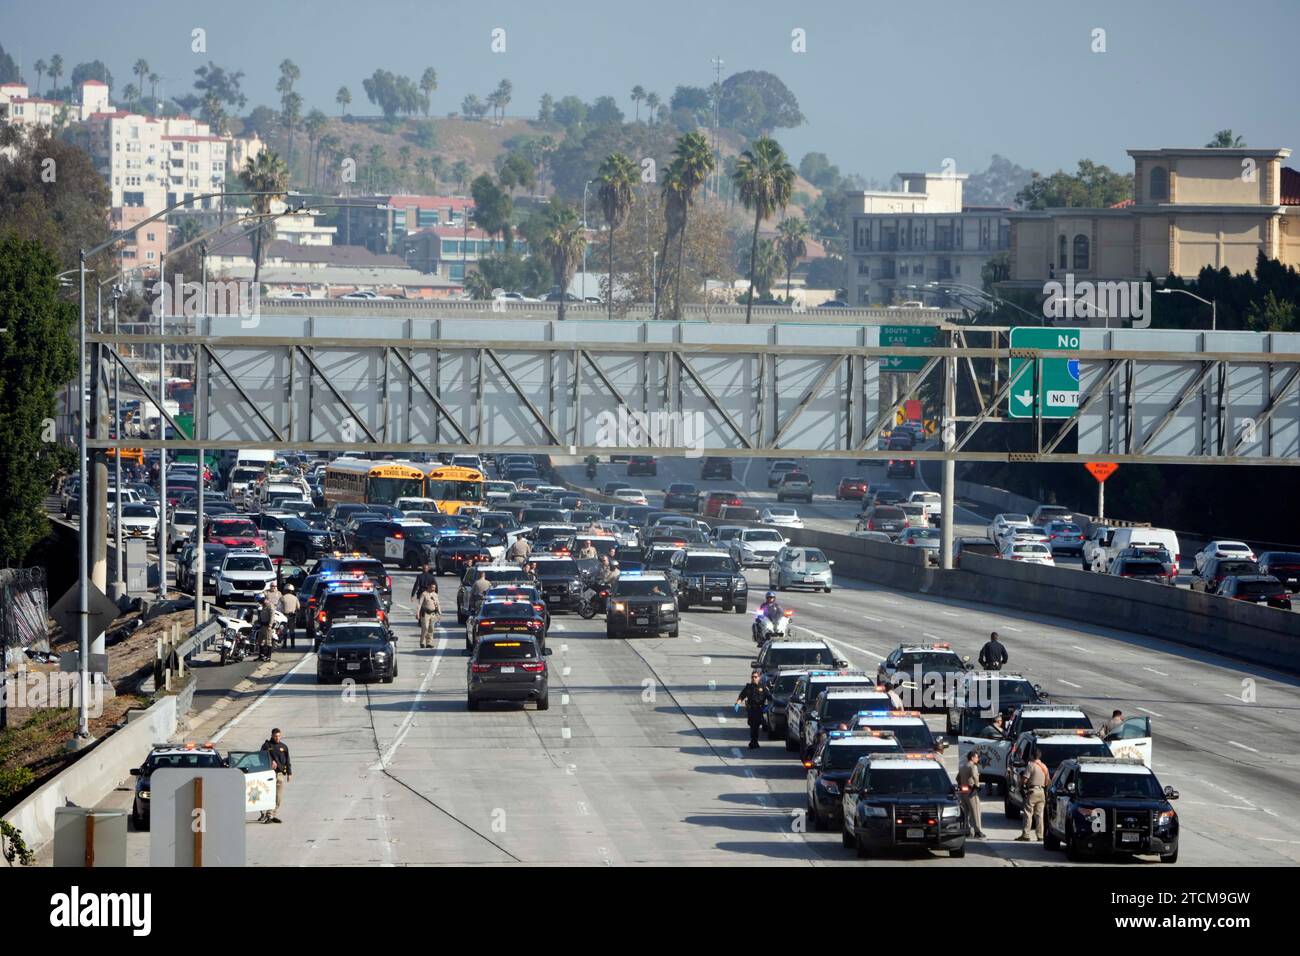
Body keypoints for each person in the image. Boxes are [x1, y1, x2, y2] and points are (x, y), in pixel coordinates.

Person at [1015, 748, 1050, 842]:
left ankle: (1026, 834)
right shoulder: (1044, 766)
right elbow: (1047, 782)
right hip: (1041, 792)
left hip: (1032, 791)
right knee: (1039, 815)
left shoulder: (1031, 765)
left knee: (1028, 813)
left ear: (1032, 756)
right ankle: (1040, 835)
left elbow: (1025, 779)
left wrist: (1021, 784)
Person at [260, 728, 292, 824]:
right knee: (269, 795)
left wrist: (289, 773)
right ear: (272, 736)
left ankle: (272, 814)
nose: (277, 738)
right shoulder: (266, 746)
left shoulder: (284, 747)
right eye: (275, 736)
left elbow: (288, 761)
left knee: (278, 797)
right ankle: (268, 815)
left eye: (278, 736)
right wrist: (271, 761)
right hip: (269, 774)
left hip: (280, 774)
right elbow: (261, 757)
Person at [735, 671, 769, 749]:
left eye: (755, 677)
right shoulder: (748, 687)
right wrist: (737, 703)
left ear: (759, 678)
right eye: (752, 677)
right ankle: (754, 742)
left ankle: (753, 742)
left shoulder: (763, 687)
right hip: (751, 710)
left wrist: (768, 706)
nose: (753, 678)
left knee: (755, 726)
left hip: (759, 709)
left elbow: (769, 697)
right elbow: (741, 696)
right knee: (751, 725)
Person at [957, 750, 986, 838]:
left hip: (963, 792)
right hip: (971, 791)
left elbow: (957, 778)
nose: (978, 759)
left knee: (966, 812)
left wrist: (961, 784)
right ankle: (978, 831)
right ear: (972, 758)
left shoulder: (962, 766)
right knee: (976, 811)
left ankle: (967, 830)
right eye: (977, 757)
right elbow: (974, 776)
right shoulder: (973, 766)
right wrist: (977, 785)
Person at [417, 583, 441, 649]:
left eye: (434, 588)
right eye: (432, 587)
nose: (434, 589)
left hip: (433, 613)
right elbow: (419, 604)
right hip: (425, 613)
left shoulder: (435, 595)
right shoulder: (424, 594)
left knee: (431, 628)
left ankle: (429, 643)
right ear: (429, 587)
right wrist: (417, 613)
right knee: (425, 628)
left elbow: (438, 604)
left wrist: (439, 613)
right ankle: (422, 642)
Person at [256, 594, 276, 659]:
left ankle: (268, 657)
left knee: (268, 641)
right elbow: (262, 615)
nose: (259, 602)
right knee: (260, 641)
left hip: (268, 626)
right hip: (262, 625)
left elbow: (272, 616)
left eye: (259, 601)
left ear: (262, 599)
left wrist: (270, 625)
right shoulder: (263, 606)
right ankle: (261, 656)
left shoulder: (270, 606)